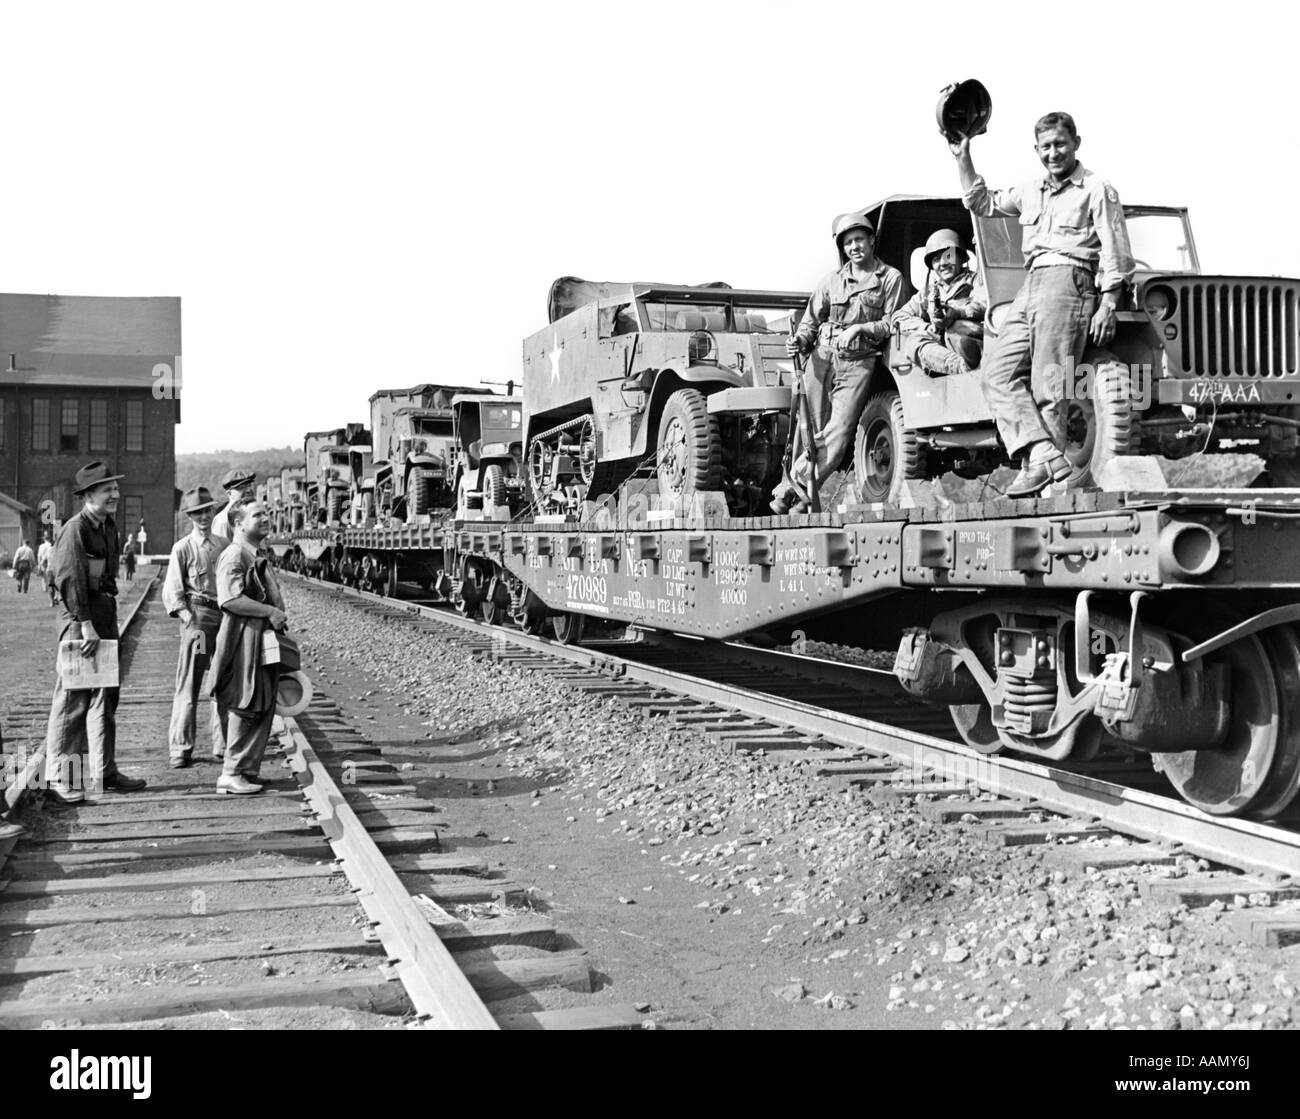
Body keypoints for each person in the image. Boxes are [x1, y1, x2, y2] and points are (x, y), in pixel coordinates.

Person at [953, 110, 1135, 497]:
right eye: (1046, 147)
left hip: (1070, 280)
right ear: (1036, 149)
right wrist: (962, 156)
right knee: (996, 373)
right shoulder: (1030, 188)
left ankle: (1044, 481)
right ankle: (1041, 453)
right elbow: (981, 202)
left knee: (1049, 385)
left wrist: (1108, 302)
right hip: (1031, 283)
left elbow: (1117, 251)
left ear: (1076, 145)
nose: (1053, 153)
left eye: (1060, 145)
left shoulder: (1097, 188)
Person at [771, 211, 906, 513]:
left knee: (838, 433)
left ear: (872, 241)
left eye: (860, 240)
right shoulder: (831, 281)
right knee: (807, 428)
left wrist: (860, 328)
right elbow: (810, 321)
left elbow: (894, 323)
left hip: (859, 362)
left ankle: (791, 488)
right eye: (848, 243)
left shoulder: (891, 279)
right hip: (821, 359)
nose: (855, 247)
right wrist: (800, 340)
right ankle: (797, 498)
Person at [43, 462, 148, 803]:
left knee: (106, 698)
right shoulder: (76, 529)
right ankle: (63, 778)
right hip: (80, 621)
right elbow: (69, 579)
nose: (115, 495)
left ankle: (105, 771)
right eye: (107, 490)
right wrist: (86, 625)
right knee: (74, 700)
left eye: (116, 489)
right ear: (88, 495)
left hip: (103, 617)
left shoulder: (108, 526)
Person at [209, 500, 288, 795]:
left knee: (261, 701)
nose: (266, 518)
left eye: (266, 513)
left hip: (259, 638)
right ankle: (231, 772)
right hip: (244, 638)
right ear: (238, 523)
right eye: (258, 515)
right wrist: (269, 612)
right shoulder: (234, 555)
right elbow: (229, 600)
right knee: (246, 701)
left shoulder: (253, 553)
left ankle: (246, 769)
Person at [162, 487, 231, 769]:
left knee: (223, 682)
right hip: (200, 621)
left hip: (224, 618)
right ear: (190, 516)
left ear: (213, 511)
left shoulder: (224, 545)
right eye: (197, 512)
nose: (203, 516)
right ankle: (180, 747)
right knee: (191, 680)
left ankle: (223, 745)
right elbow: (173, 589)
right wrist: (186, 615)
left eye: (207, 510)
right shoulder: (183, 548)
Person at [892, 228, 986, 376]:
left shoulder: (978, 281)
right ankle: (960, 368)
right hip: (944, 346)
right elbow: (899, 317)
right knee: (914, 342)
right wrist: (927, 327)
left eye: (949, 256)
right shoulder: (929, 292)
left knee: (956, 328)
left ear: (962, 258)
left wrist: (957, 312)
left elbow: (986, 304)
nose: (942, 263)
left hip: (971, 338)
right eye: (936, 259)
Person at [211, 469, 256, 542]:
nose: (248, 490)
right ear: (229, 493)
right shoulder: (223, 520)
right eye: (242, 487)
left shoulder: (251, 514)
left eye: (249, 485)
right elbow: (221, 551)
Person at [37, 530, 56, 607]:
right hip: (57, 569)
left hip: (50, 568)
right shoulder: (58, 550)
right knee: (57, 586)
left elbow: (41, 557)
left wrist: (39, 565)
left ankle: (52, 601)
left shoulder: (44, 548)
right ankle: (56, 598)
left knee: (49, 583)